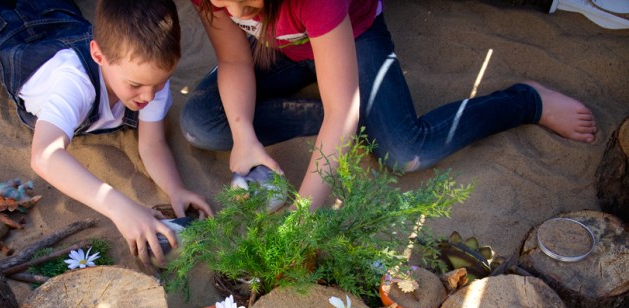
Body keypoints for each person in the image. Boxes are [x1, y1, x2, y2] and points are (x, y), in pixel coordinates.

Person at [180, 0, 598, 209]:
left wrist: (303, 217)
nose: (231, 10)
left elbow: (343, 109)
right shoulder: (224, 1)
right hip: (281, 49)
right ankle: (332, 118)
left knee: (405, 152)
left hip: (353, 38)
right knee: (202, 123)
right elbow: (235, 59)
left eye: (245, 3)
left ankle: (526, 101)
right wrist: (244, 135)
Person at [0, 0, 213, 265]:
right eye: (135, 85)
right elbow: (45, 156)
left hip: (60, 15)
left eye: (160, 83)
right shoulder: (75, 82)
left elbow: (152, 145)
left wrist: (176, 189)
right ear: (99, 55)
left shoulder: (148, 76)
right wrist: (120, 207)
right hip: (10, 26)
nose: (149, 96)